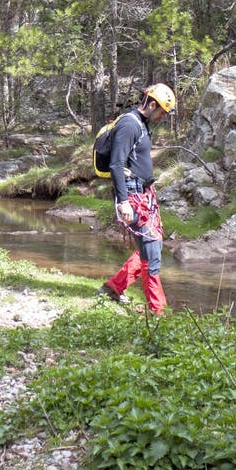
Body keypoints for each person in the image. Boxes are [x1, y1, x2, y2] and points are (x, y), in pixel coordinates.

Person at [96, 82, 176, 313]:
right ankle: (157, 310)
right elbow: (116, 164)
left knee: (151, 247)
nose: (163, 117)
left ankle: (113, 288)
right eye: (162, 112)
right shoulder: (129, 125)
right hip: (132, 196)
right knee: (151, 250)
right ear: (152, 105)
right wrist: (124, 202)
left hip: (143, 193)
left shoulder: (141, 124)